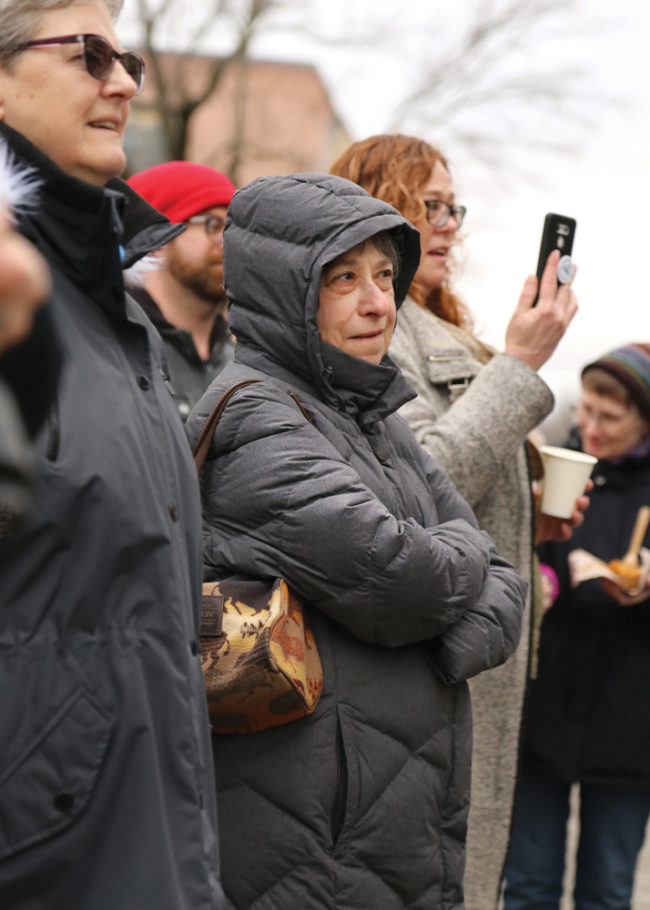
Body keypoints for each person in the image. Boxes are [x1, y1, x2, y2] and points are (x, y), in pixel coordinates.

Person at [185, 171, 528, 909]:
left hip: (387, 813)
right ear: (284, 292)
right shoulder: (257, 418)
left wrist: (445, 628)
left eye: (383, 275)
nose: (378, 302)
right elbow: (404, 577)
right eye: (344, 279)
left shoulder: (373, 414)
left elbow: (505, 585)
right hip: (315, 837)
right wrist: (451, 576)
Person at [0, 3, 224, 909]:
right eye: (88, 55)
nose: (124, 82)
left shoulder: (114, 309)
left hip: (150, 839)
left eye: (127, 57)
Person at [330, 133, 584, 909]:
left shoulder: (444, 329)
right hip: (426, 671)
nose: (447, 225)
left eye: (452, 208)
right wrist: (519, 365)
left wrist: (529, 526)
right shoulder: (369, 329)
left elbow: (459, 494)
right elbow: (413, 486)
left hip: (473, 658)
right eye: (427, 204)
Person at [503, 343, 650, 910]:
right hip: (548, 709)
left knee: (607, 892)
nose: (590, 427)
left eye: (609, 418)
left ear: (644, 423)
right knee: (528, 886)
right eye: (586, 410)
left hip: (630, 724)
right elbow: (529, 559)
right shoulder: (557, 469)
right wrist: (538, 576)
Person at [127, 161, 236, 419]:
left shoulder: (242, 361)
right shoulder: (125, 349)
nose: (227, 241)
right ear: (158, 236)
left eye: (233, 228)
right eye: (213, 224)